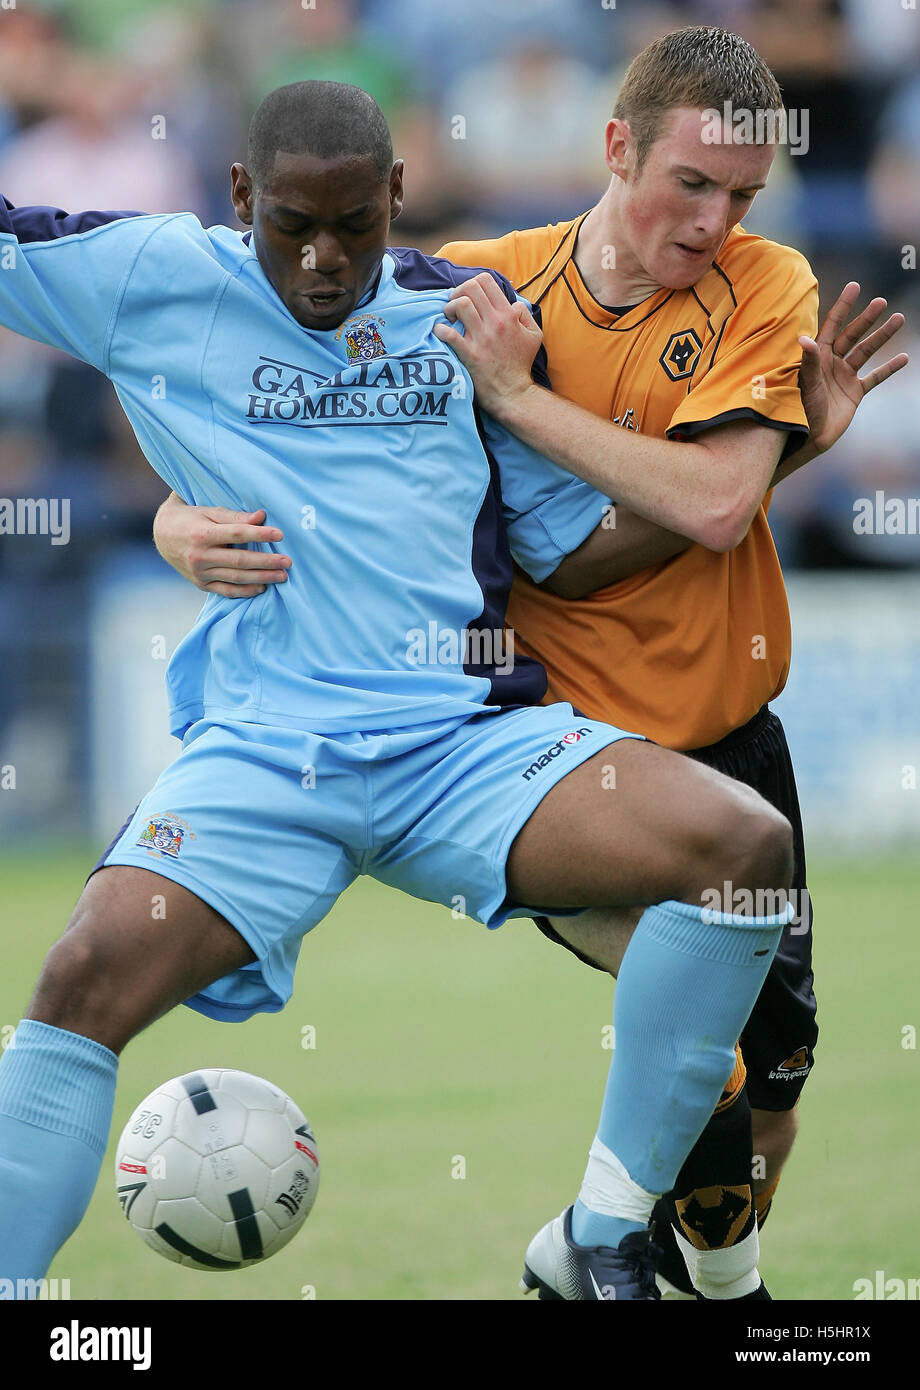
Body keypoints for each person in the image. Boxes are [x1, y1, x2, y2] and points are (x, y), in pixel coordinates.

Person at [0, 79, 802, 1302]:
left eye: (353, 228)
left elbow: (567, 548)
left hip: (463, 745)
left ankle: (593, 1236)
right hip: (271, 753)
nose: (322, 261)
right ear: (236, 200)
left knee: (744, 846)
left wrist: (787, 445)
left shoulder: (469, 323)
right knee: (79, 981)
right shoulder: (148, 275)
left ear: (396, 199)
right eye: (288, 226)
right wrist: (169, 517)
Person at [156, 35, 907, 1301]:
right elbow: (280, 415)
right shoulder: (477, 286)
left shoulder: (762, 284)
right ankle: (658, 1274)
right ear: (614, 148)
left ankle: (666, 1261)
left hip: (731, 740)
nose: (713, 221)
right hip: (553, 756)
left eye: (740, 195)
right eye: (689, 185)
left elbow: (712, 508)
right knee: (706, 1056)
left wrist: (526, 400)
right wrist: (184, 518)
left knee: (772, 1089)